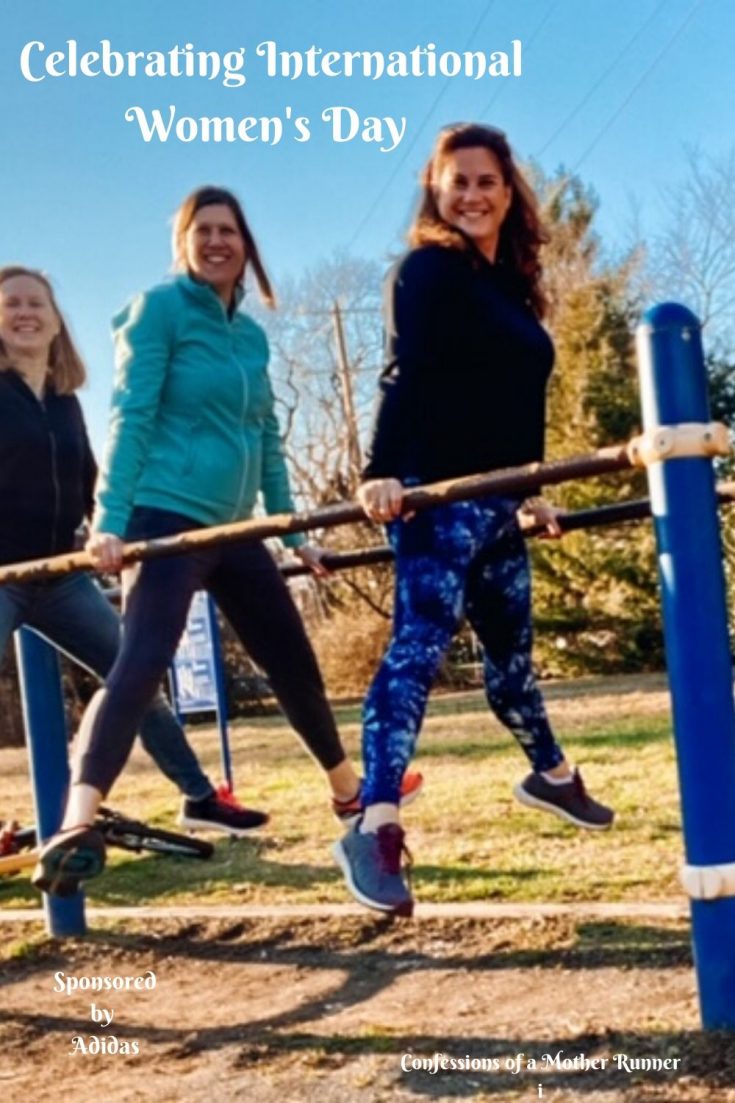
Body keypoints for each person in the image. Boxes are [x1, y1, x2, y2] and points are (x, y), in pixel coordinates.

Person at [33, 188, 420, 896]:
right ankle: (75, 823)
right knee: (142, 660)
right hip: (163, 517)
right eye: (202, 231)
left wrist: (291, 526)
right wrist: (111, 517)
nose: (217, 241)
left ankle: (347, 793)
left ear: (246, 244)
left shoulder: (249, 335)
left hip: (236, 526)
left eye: (228, 231)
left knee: (290, 657)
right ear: (183, 242)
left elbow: (265, 435)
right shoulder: (158, 311)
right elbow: (131, 415)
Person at [333, 123, 614, 918]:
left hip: (497, 499)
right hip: (435, 492)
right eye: (456, 181)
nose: (472, 194)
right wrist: (380, 471)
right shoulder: (428, 270)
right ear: (435, 191)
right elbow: (405, 369)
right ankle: (373, 821)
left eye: (485, 180)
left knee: (510, 656)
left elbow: (520, 399)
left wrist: (530, 486)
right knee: (419, 645)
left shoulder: (514, 287)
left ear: (506, 190)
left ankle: (550, 775)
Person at [0, 265, 268, 841]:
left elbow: (93, 480)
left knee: (134, 674)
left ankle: (200, 798)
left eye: (36, 304)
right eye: (10, 304)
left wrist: (112, 527)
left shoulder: (64, 401)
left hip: (61, 574)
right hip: (3, 575)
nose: (24, 313)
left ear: (55, 322)